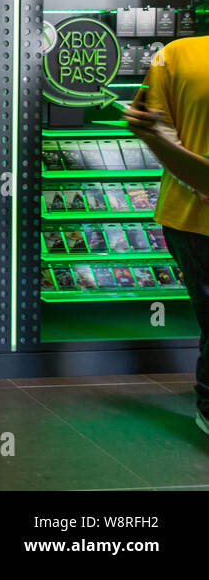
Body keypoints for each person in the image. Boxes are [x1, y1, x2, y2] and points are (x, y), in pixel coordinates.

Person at [125, 38, 209, 438]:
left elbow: (154, 130)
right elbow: (153, 126)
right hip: (194, 222)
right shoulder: (174, 55)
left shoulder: (174, 54)